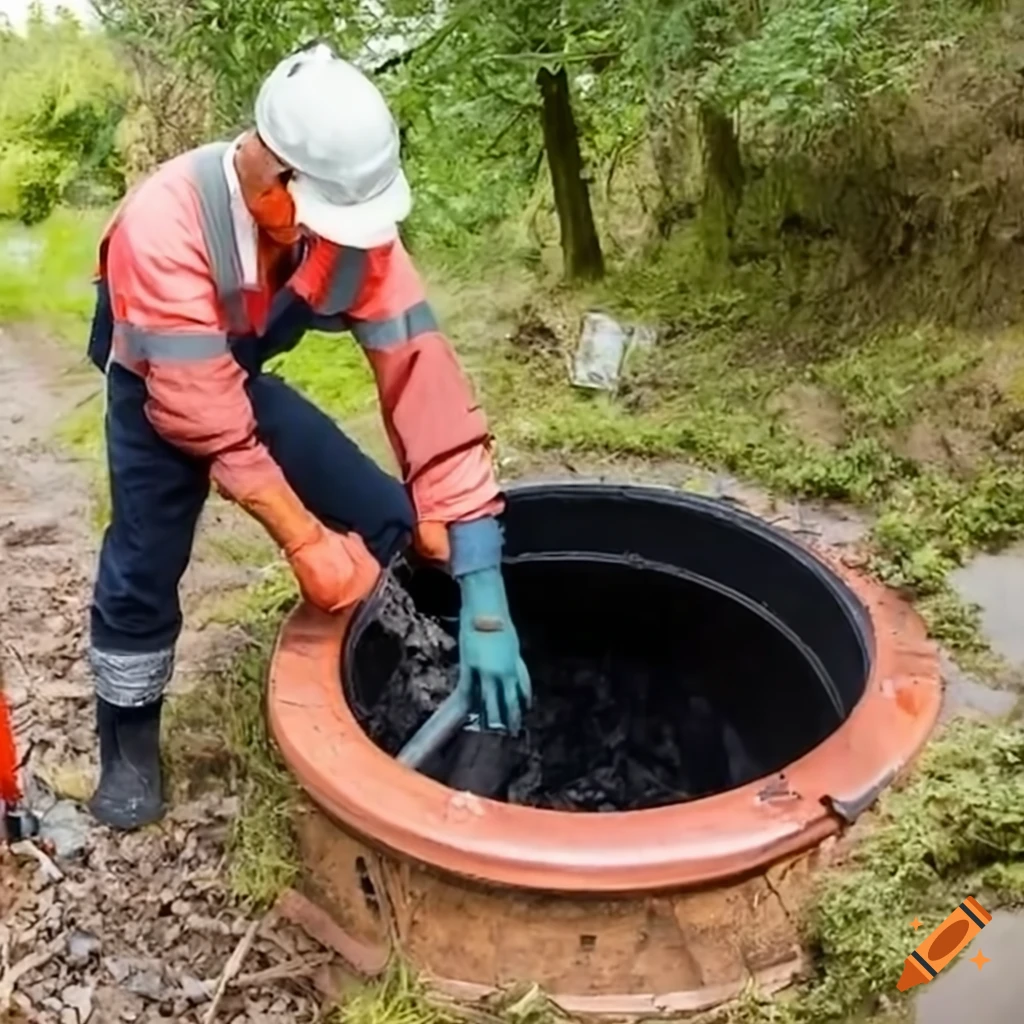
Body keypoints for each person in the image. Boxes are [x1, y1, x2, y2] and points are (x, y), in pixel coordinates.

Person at [85, 42, 532, 831]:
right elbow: (206, 417)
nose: (336, 238)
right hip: (157, 377)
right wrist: (303, 541)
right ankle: (127, 739)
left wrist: (485, 590)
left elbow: (422, 378)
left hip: (239, 364)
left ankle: (427, 668)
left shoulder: (353, 226)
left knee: (393, 515)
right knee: (145, 558)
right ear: (272, 172)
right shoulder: (164, 225)